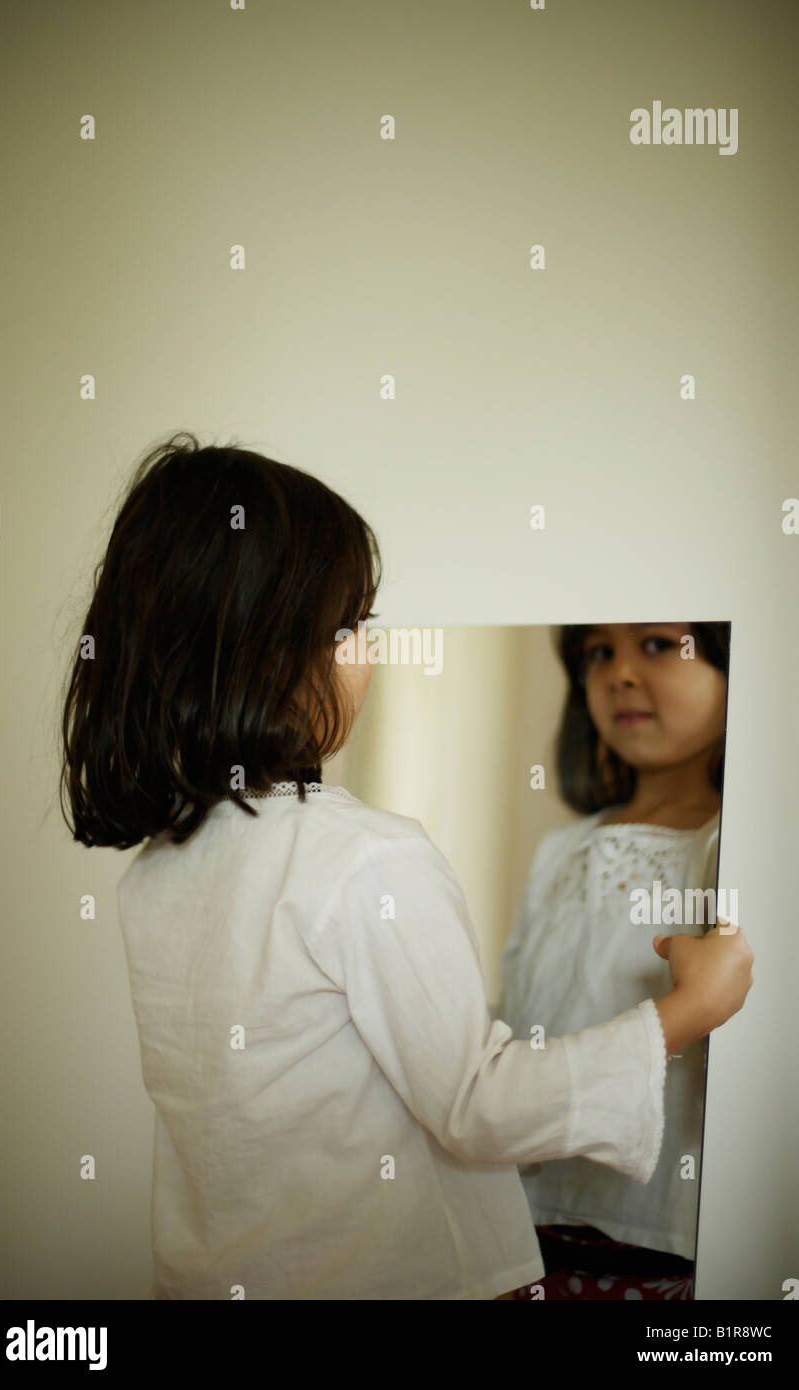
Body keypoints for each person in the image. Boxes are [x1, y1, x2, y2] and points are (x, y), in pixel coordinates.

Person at [59, 434, 753, 1299]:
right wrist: (690, 1008)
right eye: (353, 624)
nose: (370, 651)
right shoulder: (364, 858)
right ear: (275, 651)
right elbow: (477, 1102)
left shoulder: (155, 878)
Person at [498, 622, 731, 1300]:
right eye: (599, 652)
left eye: (657, 644)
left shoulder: (728, 845)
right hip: (527, 1228)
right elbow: (521, 1013)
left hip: (661, 1242)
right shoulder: (558, 852)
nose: (618, 673)